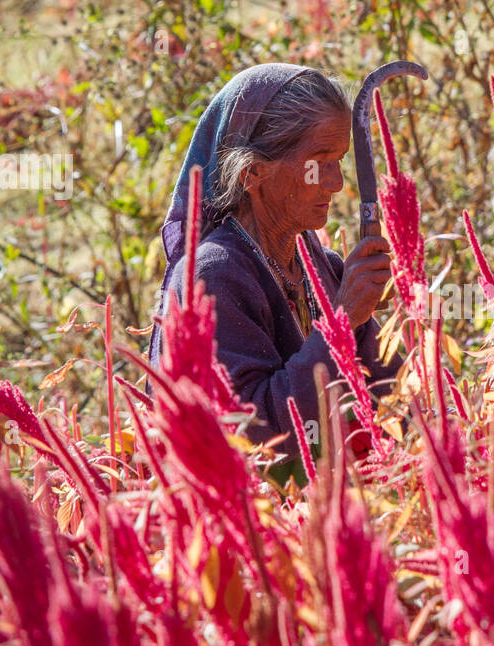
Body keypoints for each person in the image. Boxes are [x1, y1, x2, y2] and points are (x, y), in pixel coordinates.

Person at [148, 62, 400, 460]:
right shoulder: (213, 276)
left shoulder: (313, 261)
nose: (336, 182)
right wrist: (343, 320)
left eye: (340, 161)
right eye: (320, 163)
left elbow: (389, 392)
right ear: (252, 173)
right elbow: (254, 430)